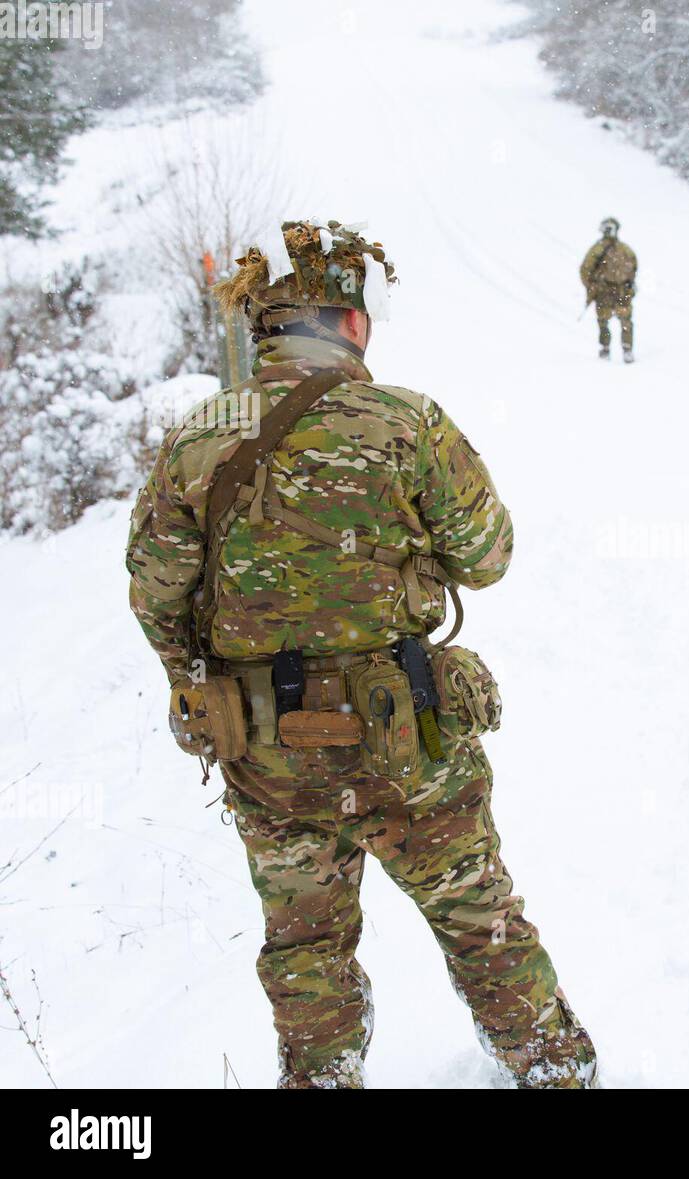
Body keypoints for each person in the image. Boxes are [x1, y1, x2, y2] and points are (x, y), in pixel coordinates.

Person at [126, 220, 597, 1088]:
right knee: (478, 919)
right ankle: (553, 1072)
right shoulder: (406, 419)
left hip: (268, 754)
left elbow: (156, 591)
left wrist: (200, 689)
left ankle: (321, 1079)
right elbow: (488, 558)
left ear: (262, 328)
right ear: (350, 323)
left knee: (305, 949)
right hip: (406, 740)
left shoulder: (199, 435)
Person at [580, 216, 637, 362]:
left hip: (605, 292)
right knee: (625, 321)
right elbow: (634, 268)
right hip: (621, 292)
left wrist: (592, 287)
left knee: (604, 321)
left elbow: (585, 269)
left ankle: (606, 349)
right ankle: (626, 350)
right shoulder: (625, 249)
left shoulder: (598, 248)